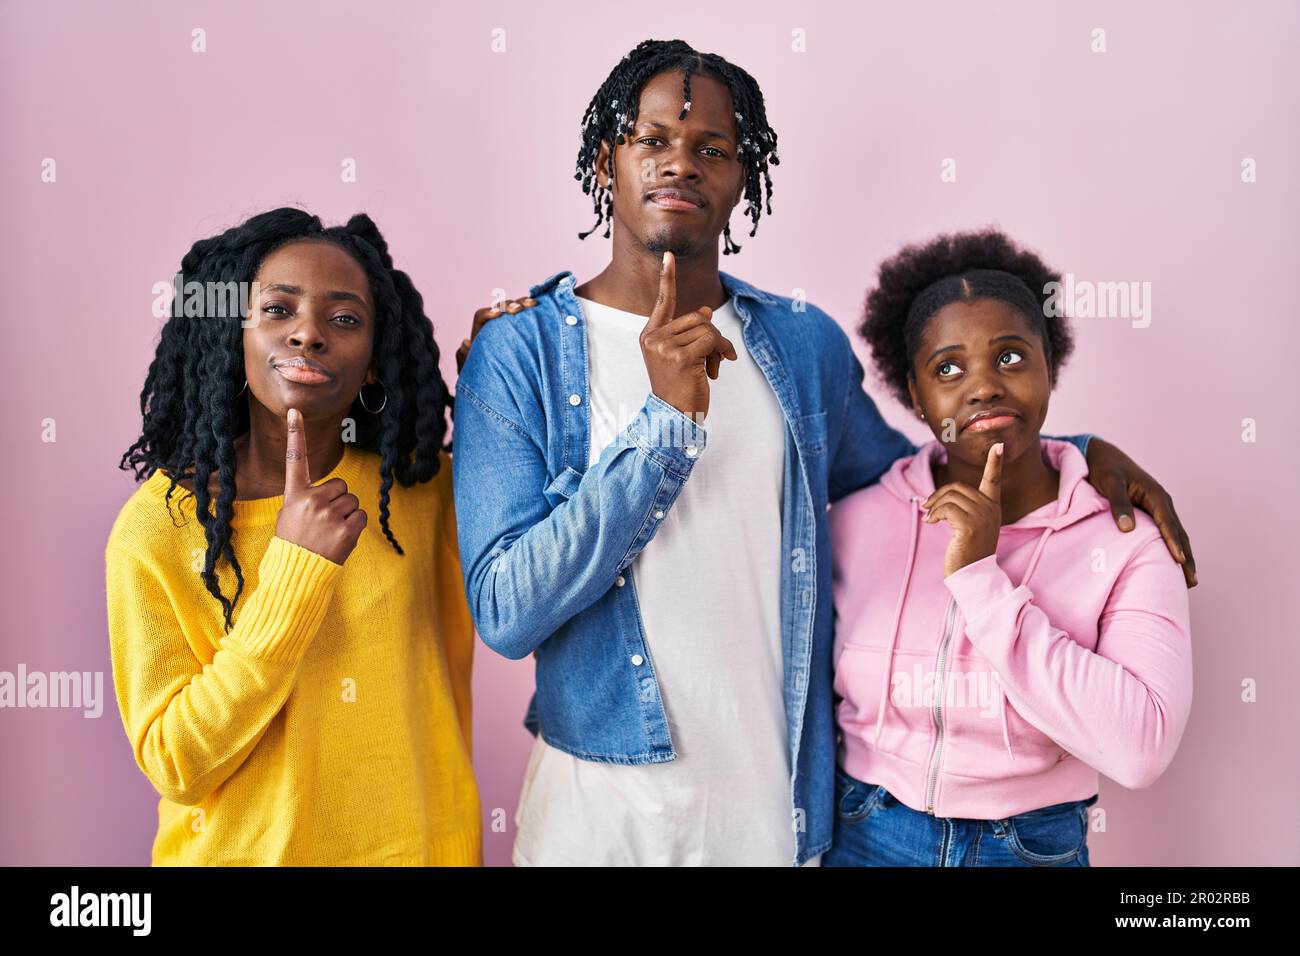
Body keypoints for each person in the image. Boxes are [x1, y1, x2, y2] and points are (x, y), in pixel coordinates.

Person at [453, 39, 1195, 867]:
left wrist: (1076, 453)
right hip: (598, 821)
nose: (681, 165)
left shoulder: (801, 346)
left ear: (745, 178)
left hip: (779, 817)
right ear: (606, 159)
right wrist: (663, 425)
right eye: (651, 139)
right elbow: (506, 613)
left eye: (712, 150)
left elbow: (911, 476)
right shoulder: (520, 354)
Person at [106, 208, 481, 865]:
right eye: (278, 310)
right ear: (232, 335)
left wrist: (501, 393)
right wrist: (293, 574)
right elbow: (177, 765)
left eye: (344, 319)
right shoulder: (157, 528)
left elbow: (548, 560)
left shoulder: (422, 493)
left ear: (374, 363)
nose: (309, 333)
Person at [823, 229, 1193, 866]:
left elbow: (1140, 749)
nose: (984, 386)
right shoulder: (855, 519)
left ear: (1050, 365)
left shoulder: (1125, 534)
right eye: (947, 369)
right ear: (915, 395)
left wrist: (980, 578)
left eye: (1011, 358)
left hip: (1027, 847)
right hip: (868, 832)